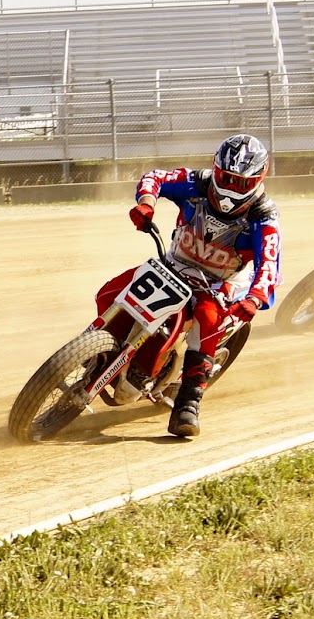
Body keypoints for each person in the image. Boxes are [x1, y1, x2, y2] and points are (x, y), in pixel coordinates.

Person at [99, 134, 281, 438]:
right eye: (226, 178)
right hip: (175, 264)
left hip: (221, 280)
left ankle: (188, 403)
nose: (231, 187)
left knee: (209, 320)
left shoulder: (264, 215)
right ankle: (101, 346)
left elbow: (270, 266)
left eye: (241, 183)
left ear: (258, 179)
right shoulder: (197, 181)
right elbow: (155, 177)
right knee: (110, 292)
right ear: (216, 168)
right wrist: (146, 204)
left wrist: (254, 299)